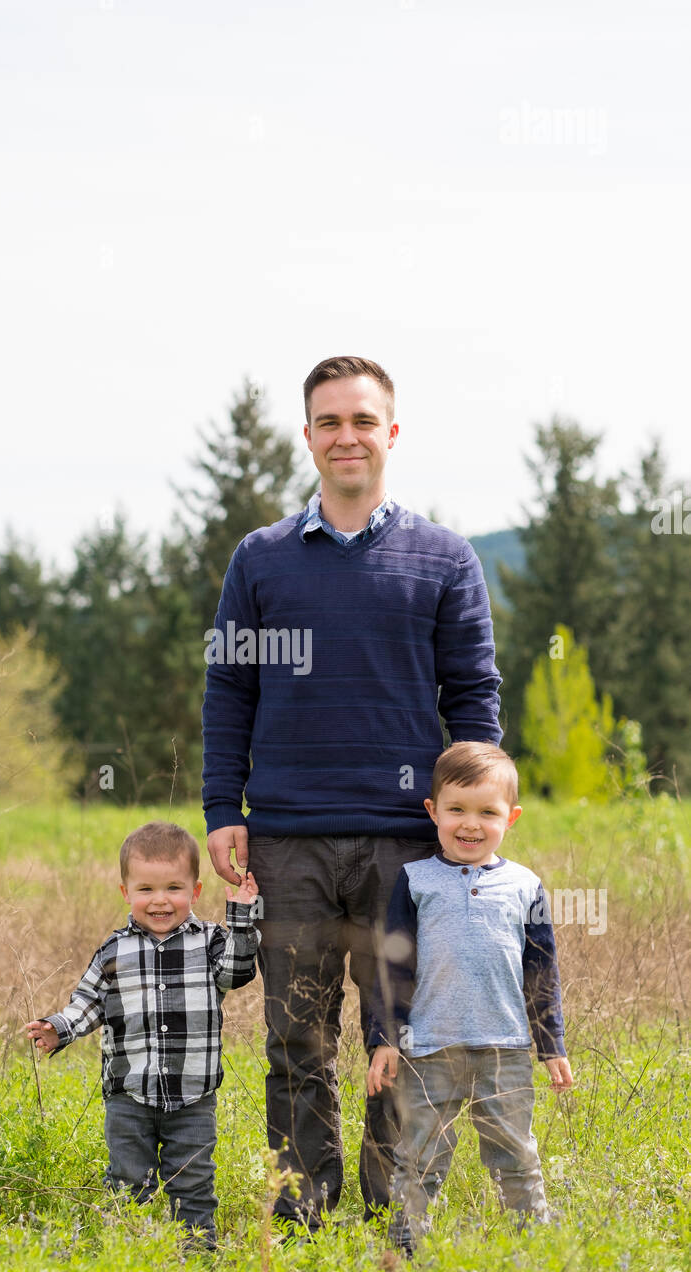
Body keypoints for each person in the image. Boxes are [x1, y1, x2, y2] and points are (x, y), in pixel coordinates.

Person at [202, 355, 503, 1228]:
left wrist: (474, 818)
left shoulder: (445, 559)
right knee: (296, 1037)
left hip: (409, 846)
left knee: (404, 1035)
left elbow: (475, 699)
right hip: (288, 836)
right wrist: (226, 810)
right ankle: (301, 1206)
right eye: (329, 422)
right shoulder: (259, 560)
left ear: (391, 433)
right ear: (308, 437)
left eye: (363, 421)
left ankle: (395, 1210)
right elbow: (230, 691)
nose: (346, 436)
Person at [367, 742, 574, 1254]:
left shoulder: (526, 885)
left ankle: (534, 1251)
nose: (470, 824)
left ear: (512, 817)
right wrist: (385, 1039)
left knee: (516, 1155)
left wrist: (552, 1047)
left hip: (505, 1049)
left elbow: (541, 973)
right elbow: (392, 967)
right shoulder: (415, 881)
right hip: (428, 1049)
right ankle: (406, 1252)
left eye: (488, 812)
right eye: (456, 809)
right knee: (419, 1157)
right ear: (433, 812)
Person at [25, 821, 261, 1250]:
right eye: (146, 890)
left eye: (173, 888)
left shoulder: (210, 942)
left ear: (195, 891)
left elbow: (238, 971)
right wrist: (58, 1029)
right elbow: (88, 1003)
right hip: (129, 1095)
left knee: (193, 1183)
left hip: (192, 1096)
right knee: (128, 1183)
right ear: (126, 893)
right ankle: (131, 1253)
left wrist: (242, 916)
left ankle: (196, 1259)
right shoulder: (114, 951)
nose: (160, 901)